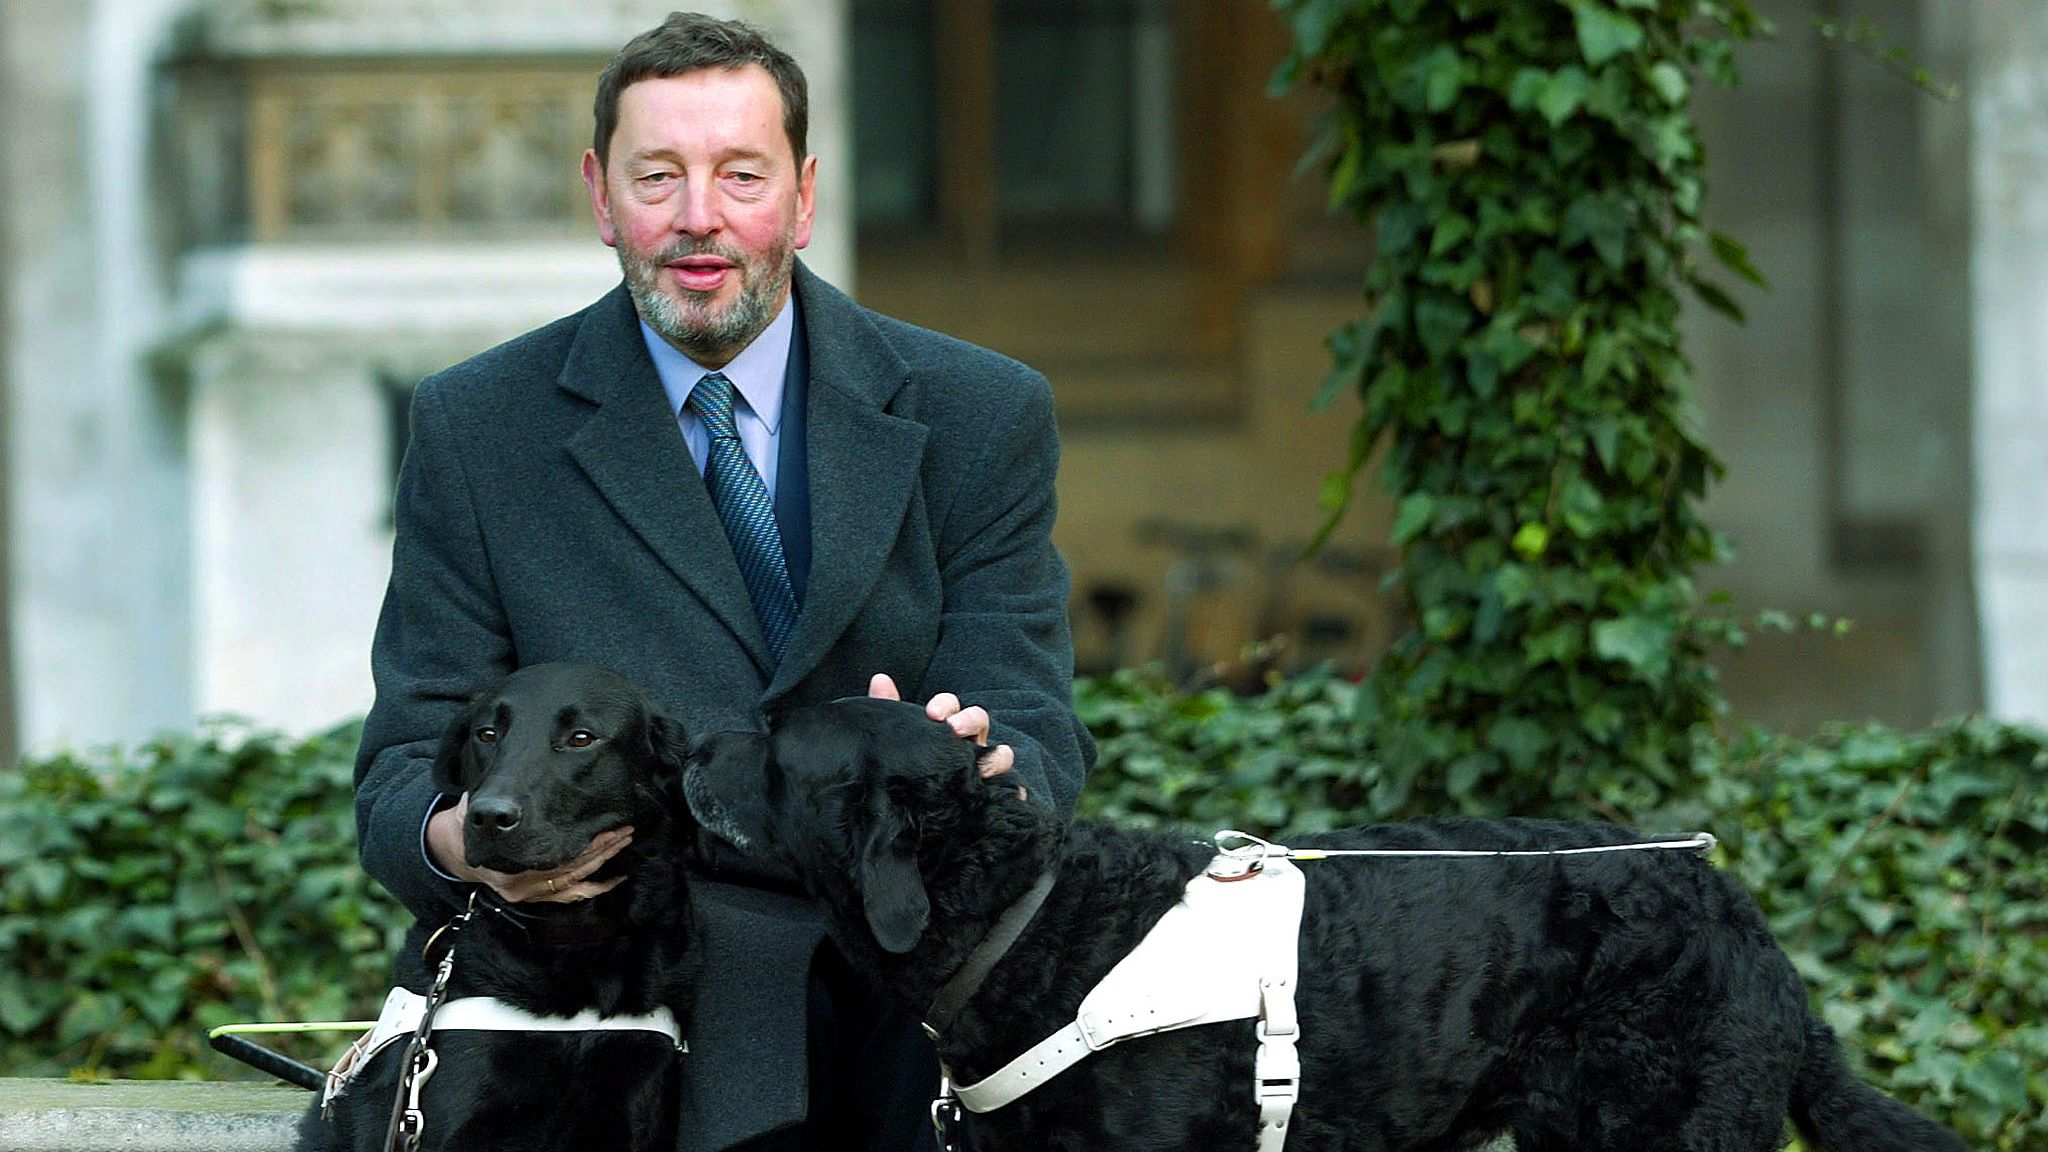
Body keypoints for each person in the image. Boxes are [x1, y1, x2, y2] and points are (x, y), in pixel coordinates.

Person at [351, 12, 1094, 1152]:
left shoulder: (981, 411)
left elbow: (1034, 732)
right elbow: (404, 772)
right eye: (658, 176)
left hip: (915, 1019)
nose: (698, 215)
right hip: (616, 1039)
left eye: (740, 175)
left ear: (803, 195)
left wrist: (983, 771)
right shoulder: (475, 425)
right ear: (603, 198)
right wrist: (467, 845)